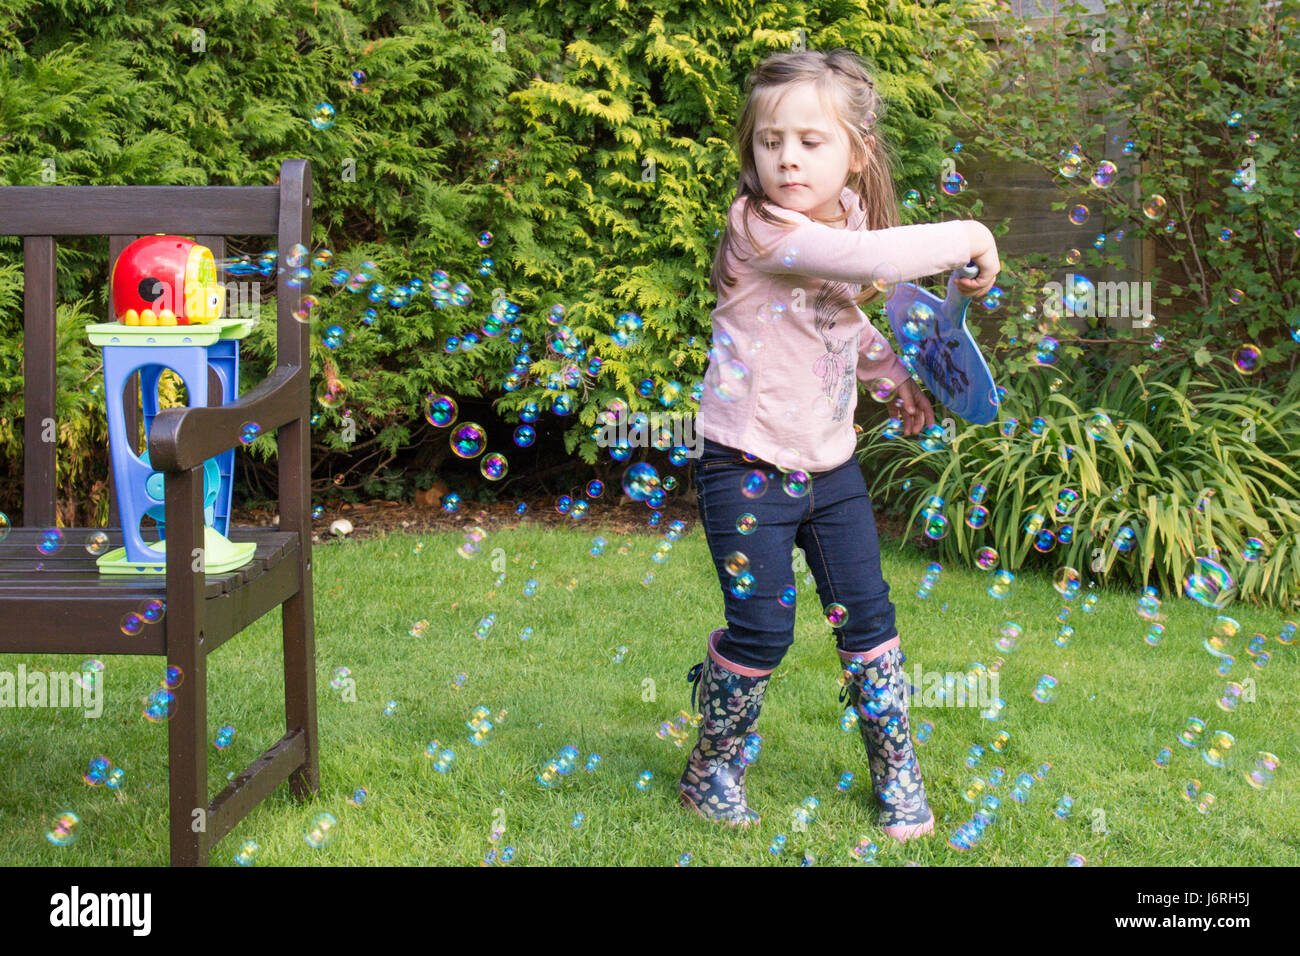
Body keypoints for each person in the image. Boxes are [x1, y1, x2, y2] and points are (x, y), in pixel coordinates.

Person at [679, 48, 1000, 842]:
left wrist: (896, 377)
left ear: (855, 152)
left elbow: (839, 315)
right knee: (762, 630)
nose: (787, 157)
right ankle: (712, 766)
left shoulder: (841, 221)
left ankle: (896, 771)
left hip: (830, 464)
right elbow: (862, 267)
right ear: (750, 152)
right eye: (770, 141)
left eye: (811, 141)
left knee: (870, 618)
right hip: (747, 463)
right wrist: (970, 232)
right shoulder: (758, 227)